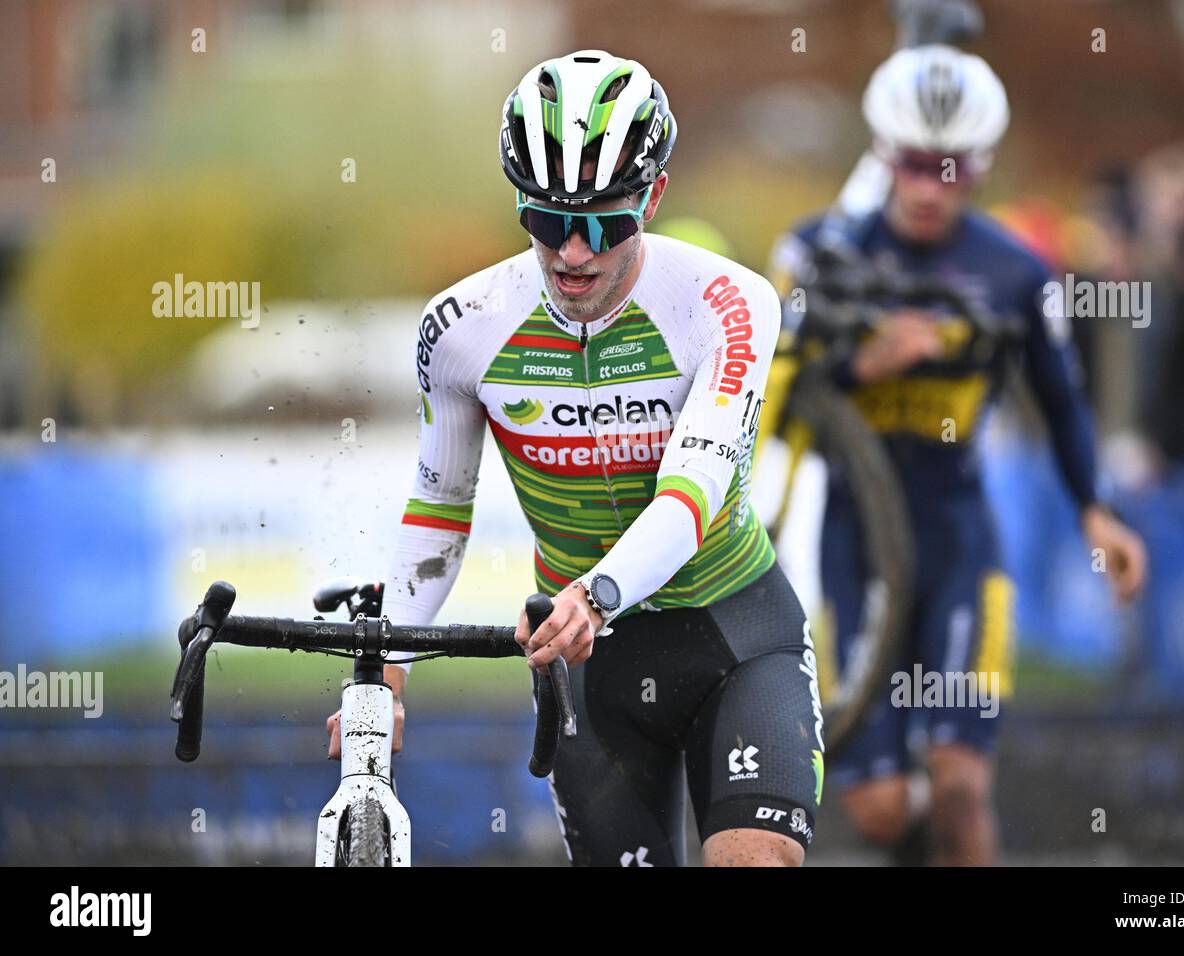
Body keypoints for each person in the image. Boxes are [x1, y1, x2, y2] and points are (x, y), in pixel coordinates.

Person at [327, 50, 824, 867]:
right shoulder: (462, 329)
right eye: (548, 221)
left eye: (604, 222)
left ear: (655, 197)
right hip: (589, 672)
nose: (573, 253)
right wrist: (389, 672)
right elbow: (439, 511)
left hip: (736, 631)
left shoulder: (728, 303)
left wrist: (594, 597)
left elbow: (691, 493)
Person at [767, 45, 1147, 864]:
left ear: (978, 166)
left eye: (951, 169)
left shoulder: (1013, 270)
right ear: (883, 156)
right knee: (873, 810)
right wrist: (859, 364)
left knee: (961, 784)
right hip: (854, 544)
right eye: (913, 166)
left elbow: (1063, 399)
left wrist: (1099, 511)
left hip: (961, 543)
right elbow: (767, 402)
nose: (931, 188)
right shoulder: (820, 254)